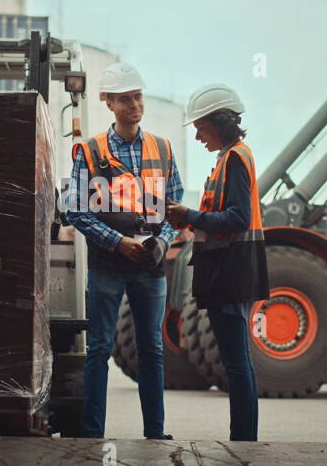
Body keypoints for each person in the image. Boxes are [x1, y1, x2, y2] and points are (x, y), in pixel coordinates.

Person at [66, 63, 184, 440]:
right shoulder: (91, 150)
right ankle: (91, 433)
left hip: (150, 266)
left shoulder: (162, 149)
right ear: (109, 103)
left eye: (138, 97)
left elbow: (176, 206)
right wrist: (118, 242)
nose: (135, 105)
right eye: (126, 99)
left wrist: (161, 242)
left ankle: (156, 433)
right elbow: (75, 209)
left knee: (152, 350)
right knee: (99, 349)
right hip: (107, 265)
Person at [165, 84, 269, 441]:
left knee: (237, 362)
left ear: (219, 123)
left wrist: (189, 214)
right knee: (237, 360)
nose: (196, 135)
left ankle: (243, 441)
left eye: (200, 127)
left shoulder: (236, 158)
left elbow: (237, 218)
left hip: (232, 268)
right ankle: (244, 439)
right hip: (229, 266)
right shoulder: (230, 158)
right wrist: (190, 218)